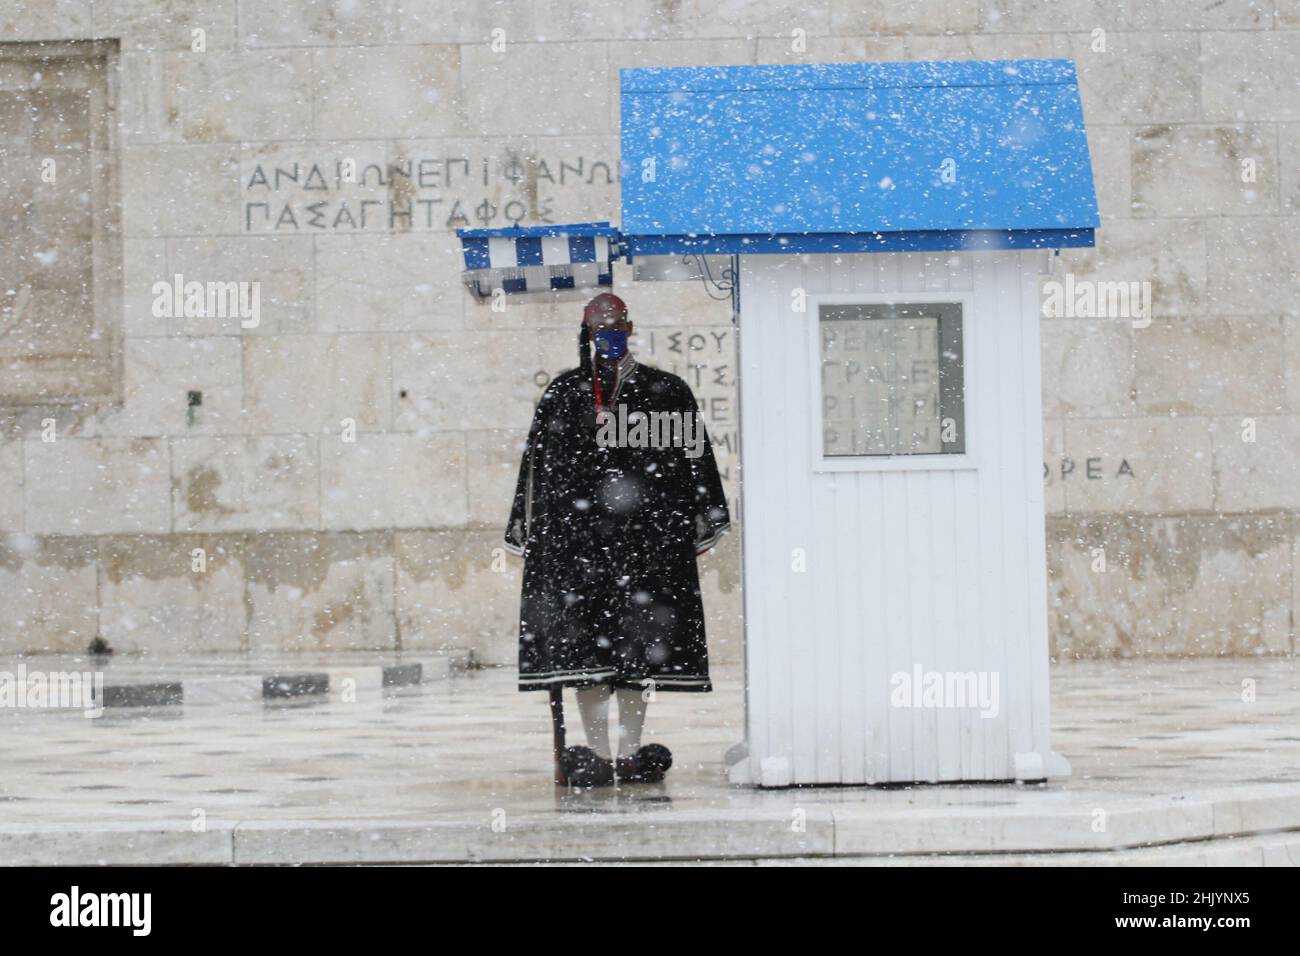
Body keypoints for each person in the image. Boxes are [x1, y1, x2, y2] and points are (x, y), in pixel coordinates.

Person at [504, 292, 731, 787]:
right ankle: (597, 752)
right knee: (587, 656)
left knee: (638, 652)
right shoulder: (564, 394)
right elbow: (539, 476)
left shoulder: (666, 392)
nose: (607, 334)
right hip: (579, 548)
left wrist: (697, 520)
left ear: (630, 328)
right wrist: (540, 535)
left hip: (646, 545)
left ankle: (629, 752)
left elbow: (694, 461)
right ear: (586, 332)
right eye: (598, 327)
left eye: (615, 325)